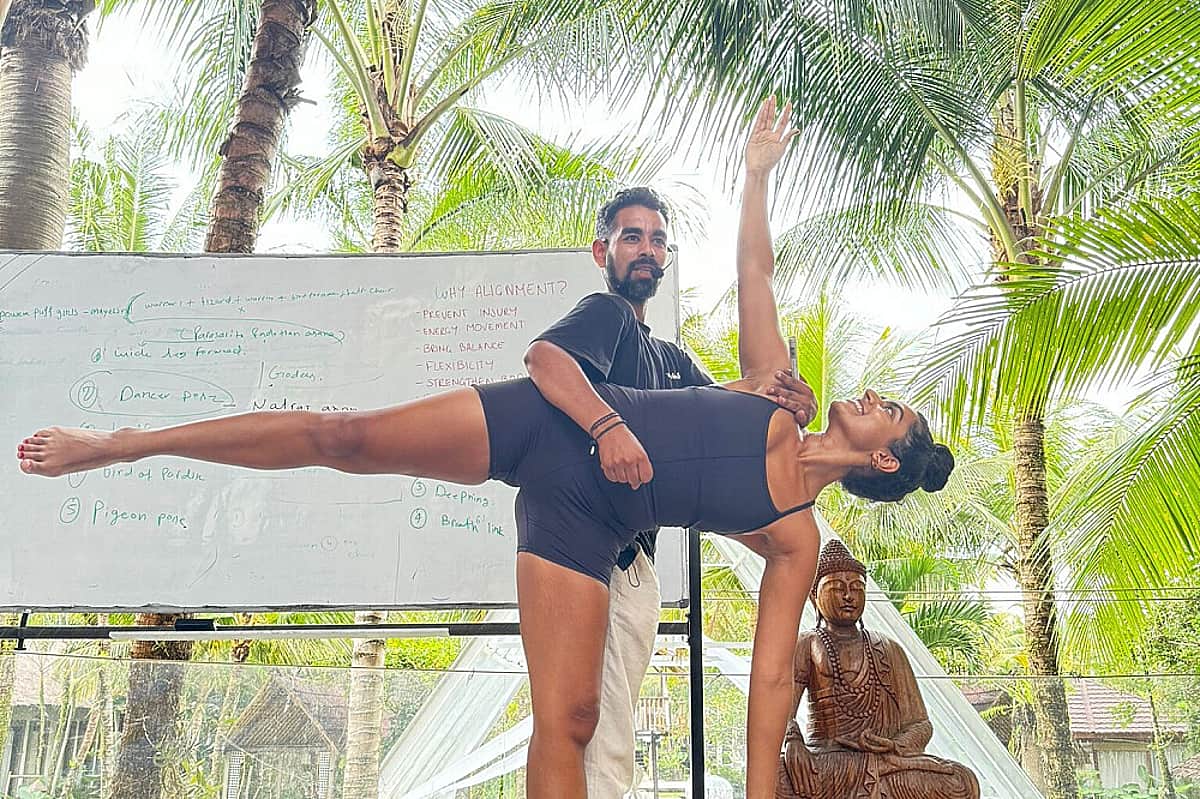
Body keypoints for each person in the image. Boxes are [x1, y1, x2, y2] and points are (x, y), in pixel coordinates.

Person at [15, 98, 954, 799]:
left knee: (573, 718)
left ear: (881, 460)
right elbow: (755, 268)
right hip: (544, 424)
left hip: (587, 520)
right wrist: (755, 171)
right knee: (343, 436)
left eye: (892, 414)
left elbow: (772, 678)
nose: (872, 396)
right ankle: (122, 444)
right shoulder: (771, 393)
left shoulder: (795, 538)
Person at [527, 188, 816, 798]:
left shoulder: (673, 361)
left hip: (635, 568)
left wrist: (791, 400)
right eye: (632, 237)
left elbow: (735, 419)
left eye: (658, 240)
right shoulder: (601, 317)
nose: (647, 250)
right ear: (602, 249)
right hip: (581, 553)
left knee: (609, 731)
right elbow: (545, 360)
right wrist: (607, 427)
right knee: (587, 732)